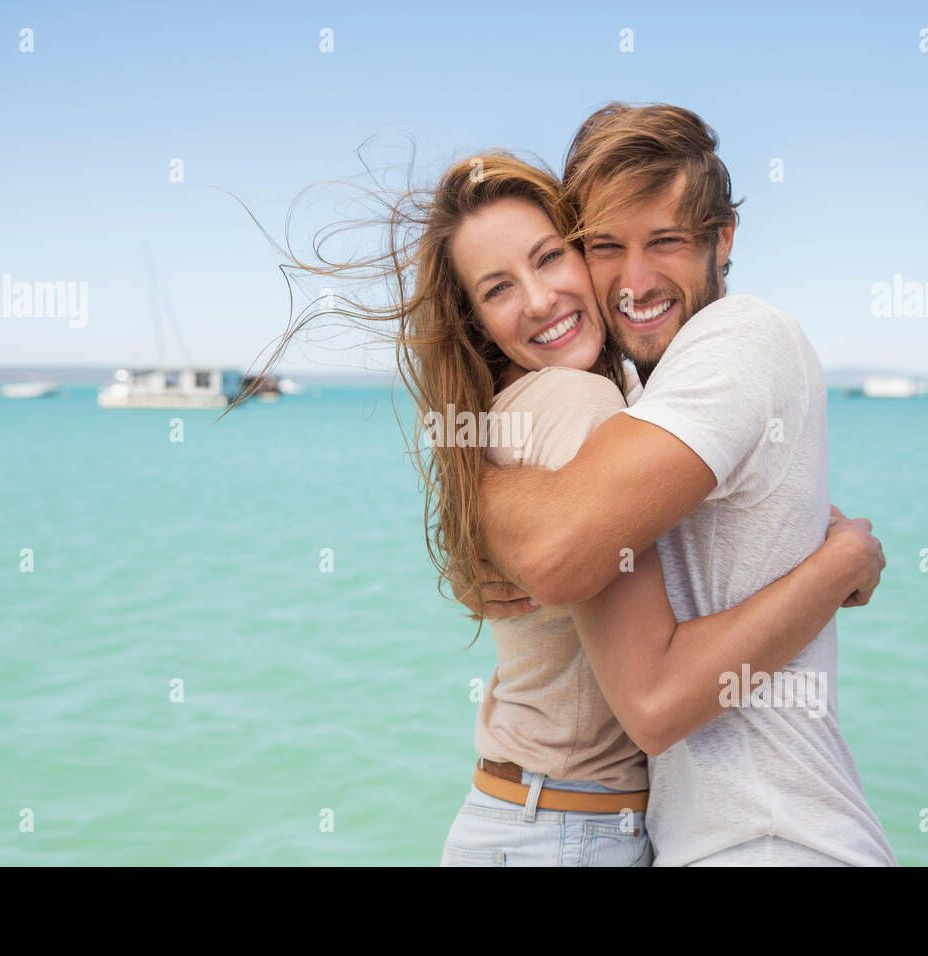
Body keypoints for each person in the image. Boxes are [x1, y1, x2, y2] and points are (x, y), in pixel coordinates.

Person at [258, 151, 885, 866]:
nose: (538, 300)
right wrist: (841, 562)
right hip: (567, 831)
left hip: (518, 815)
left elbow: (687, 496)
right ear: (478, 324)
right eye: (497, 289)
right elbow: (646, 689)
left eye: (550, 258)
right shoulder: (581, 399)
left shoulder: (539, 409)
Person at [470, 103, 899, 866]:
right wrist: (475, 524)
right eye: (605, 246)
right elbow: (562, 541)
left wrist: (841, 564)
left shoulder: (737, 339)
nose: (635, 283)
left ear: (722, 237)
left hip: (772, 840)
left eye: (664, 241)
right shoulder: (641, 397)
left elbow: (581, 584)